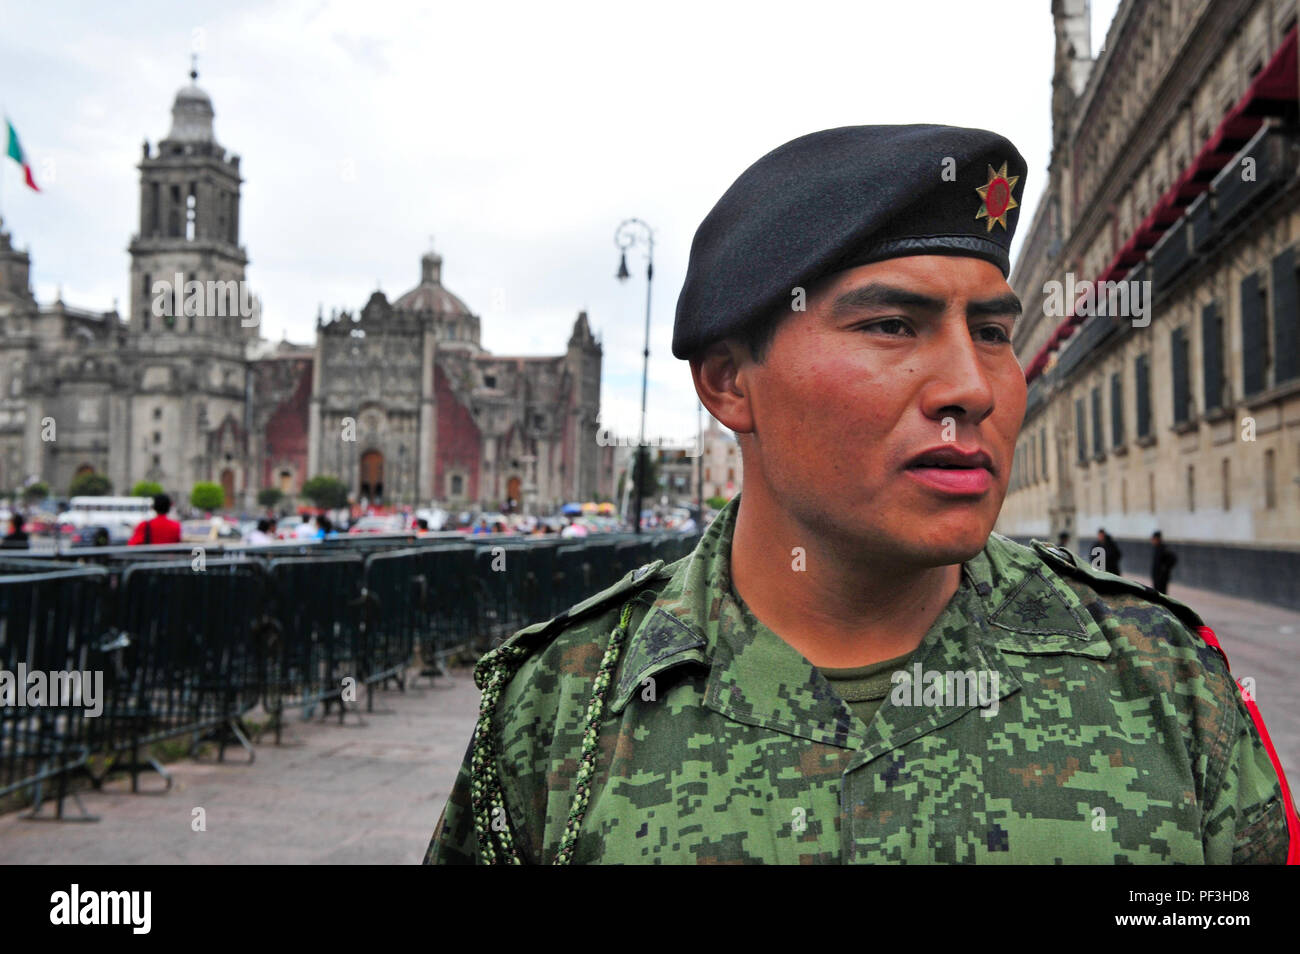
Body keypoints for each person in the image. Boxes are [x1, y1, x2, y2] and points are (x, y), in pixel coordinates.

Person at [426, 125, 1297, 865]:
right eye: (891, 326)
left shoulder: (1166, 682)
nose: (973, 388)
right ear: (729, 381)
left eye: (993, 332)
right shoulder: (564, 707)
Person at [1151, 530, 1178, 594]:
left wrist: (1165, 568)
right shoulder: (1157, 548)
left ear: (1157, 539)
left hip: (1162, 578)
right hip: (1157, 577)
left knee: (1162, 594)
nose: (1152, 541)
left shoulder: (1163, 549)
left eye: (1153, 539)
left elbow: (1173, 559)